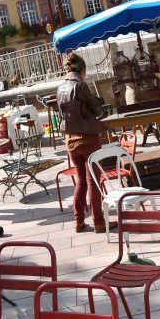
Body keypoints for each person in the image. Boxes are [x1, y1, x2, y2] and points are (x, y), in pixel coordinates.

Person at [56, 52, 105, 233]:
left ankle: (78, 221)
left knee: (81, 181)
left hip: (71, 141)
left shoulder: (60, 88)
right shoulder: (81, 86)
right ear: (82, 70)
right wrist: (99, 104)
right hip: (88, 139)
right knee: (93, 181)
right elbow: (98, 110)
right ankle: (99, 222)